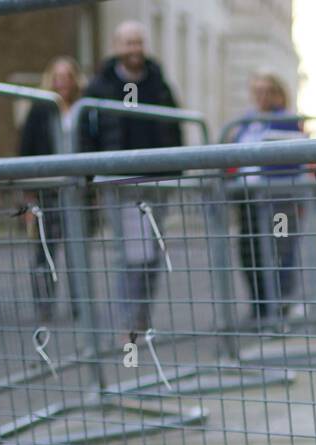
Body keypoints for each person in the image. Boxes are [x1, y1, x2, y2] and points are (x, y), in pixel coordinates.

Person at [80, 21, 183, 340]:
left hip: (156, 180)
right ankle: (130, 322)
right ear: (116, 46)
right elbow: (87, 133)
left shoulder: (159, 83)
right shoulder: (100, 85)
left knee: (151, 254)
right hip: (119, 179)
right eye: (128, 43)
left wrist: (177, 169)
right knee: (131, 254)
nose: (134, 49)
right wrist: (91, 176)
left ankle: (142, 318)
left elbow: (174, 127)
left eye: (138, 42)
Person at [233, 72, 305, 327]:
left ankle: (280, 307)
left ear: (277, 92)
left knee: (279, 250)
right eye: (257, 90)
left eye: (267, 90)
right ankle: (261, 306)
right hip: (249, 198)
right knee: (249, 252)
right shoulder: (248, 121)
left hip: (279, 196)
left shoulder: (285, 120)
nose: (262, 96)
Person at [19, 56, 83, 319]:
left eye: (67, 76)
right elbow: (26, 151)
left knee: (77, 251)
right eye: (57, 76)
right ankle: (44, 304)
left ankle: (81, 303)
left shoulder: (83, 108)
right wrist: (29, 197)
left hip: (77, 193)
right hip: (47, 192)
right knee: (45, 251)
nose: (62, 82)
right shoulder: (39, 110)